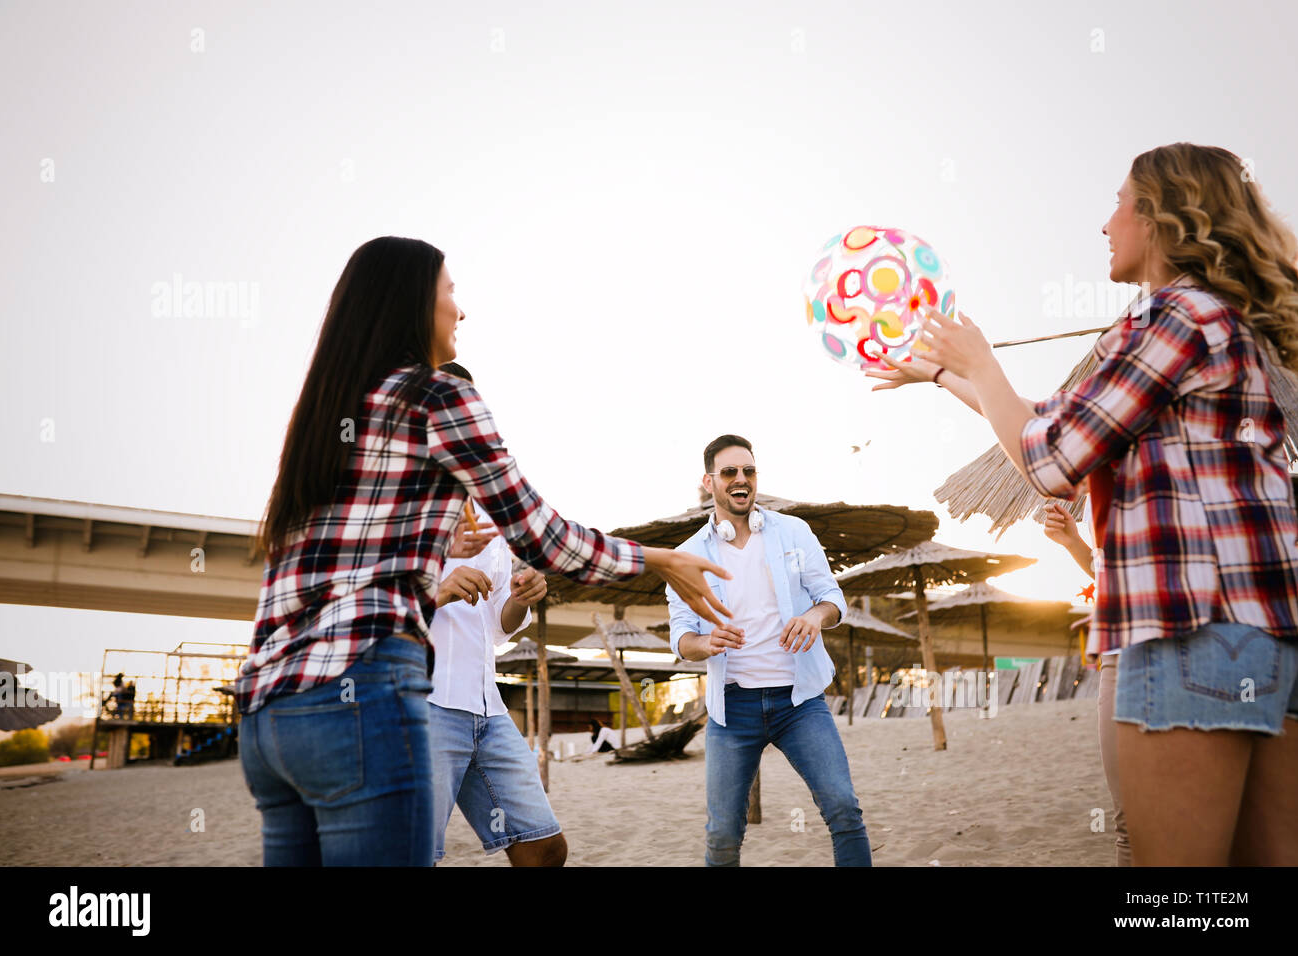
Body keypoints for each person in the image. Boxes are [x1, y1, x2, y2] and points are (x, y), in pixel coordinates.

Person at [868, 143, 1298, 866]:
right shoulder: (1228, 324)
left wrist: (981, 361)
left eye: (1119, 202)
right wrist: (948, 373)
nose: (1106, 224)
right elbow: (1046, 419)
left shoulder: (1169, 314)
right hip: (1273, 635)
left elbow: (1050, 459)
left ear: (1159, 217)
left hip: (1188, 632)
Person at [239, 236, 731, 866]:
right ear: (413, 303)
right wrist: (661, 559)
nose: (460, 311)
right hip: (360, 699)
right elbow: (543, 537)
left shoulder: (320, 421)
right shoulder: (436, 396)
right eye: (449, 292)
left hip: (268, 715)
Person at [667, 434, 871, 867]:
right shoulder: (684, 557)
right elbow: (682, 638)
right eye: (729, 473)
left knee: (843, 808)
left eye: (749, 471)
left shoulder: (795, 532)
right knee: (722, 835)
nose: (741, 480)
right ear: (709, 482)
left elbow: (833, 599)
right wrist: (705, 643)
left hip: (799, 701)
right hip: (732, 710)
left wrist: (815, 617)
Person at [424, 362, 566, 867]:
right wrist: (436, 591)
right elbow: (364, 602)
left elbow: (497, 627)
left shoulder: (492, 512)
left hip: (488, 709)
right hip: (424, 708)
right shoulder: (392, 500)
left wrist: (521, 599)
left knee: (545, 848)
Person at [1042, 499, 1130, 866]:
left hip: (1197, 639)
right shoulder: (1096, 476)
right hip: (1121, 648)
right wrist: (1074, 542)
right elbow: (1109, 573)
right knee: (1129, 820)